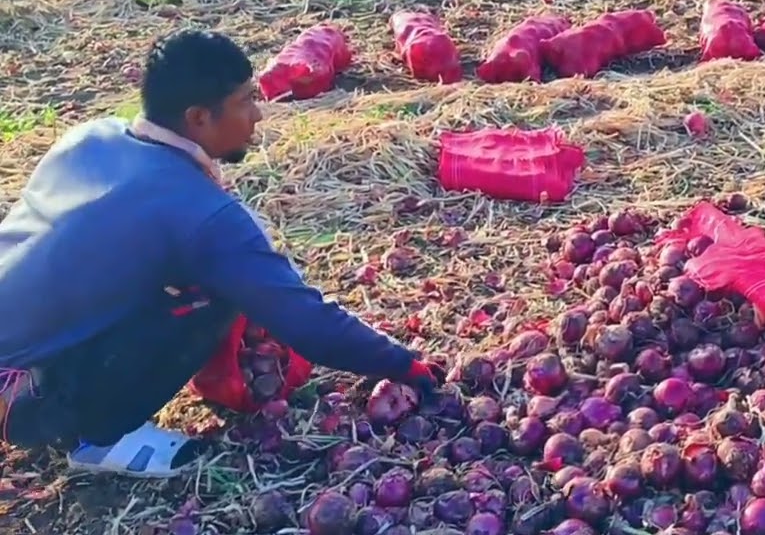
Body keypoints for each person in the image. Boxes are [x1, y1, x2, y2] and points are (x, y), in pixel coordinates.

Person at [0, 30, 438, 478]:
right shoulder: (201, 213)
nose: (258, 114)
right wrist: (402, 363)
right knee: (211, 295)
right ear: (198, 118)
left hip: (15, 353)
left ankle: (68, 397)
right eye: (246, 100)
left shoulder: (92, 137)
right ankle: (99, 436)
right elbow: (306, 321)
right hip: (20, 396)